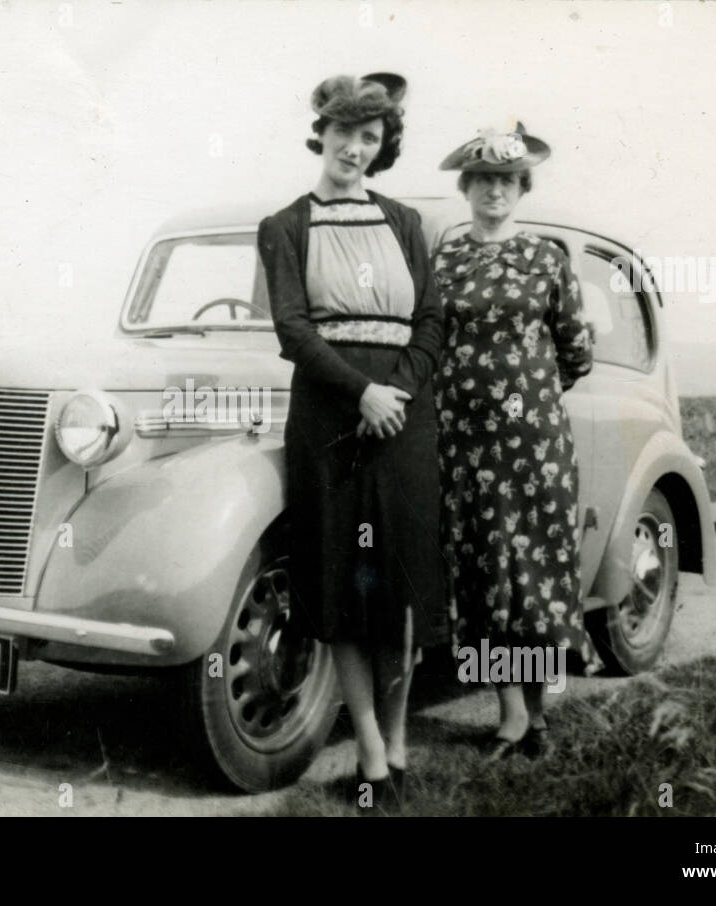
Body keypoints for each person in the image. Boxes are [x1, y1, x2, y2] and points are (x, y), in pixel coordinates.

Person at [256, 73, 443, 809]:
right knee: (344, 584)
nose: (355, 149)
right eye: (345, 133)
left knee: (400, 587)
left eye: (371, 139)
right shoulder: (285, 225)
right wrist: (359, 392)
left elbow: (432, 321)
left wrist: (394, 389)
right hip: (331, 418)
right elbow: (293, 329)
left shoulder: (404, 222)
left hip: (404, 413)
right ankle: (367, 747)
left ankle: (398, 738)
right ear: (322, 132)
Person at [431, 123, 597, 760]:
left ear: (521, 188)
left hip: (534, 448)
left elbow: (576, 349)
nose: (493, 190)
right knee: (478, 575)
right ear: (466, 188)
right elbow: (431, 342)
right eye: (482, 180)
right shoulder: (444, 260)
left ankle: (539, 712)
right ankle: (507, 717)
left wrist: (526, 395)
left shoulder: (545, 259)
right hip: (464, 448)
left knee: (534, 576)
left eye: (505, 180)